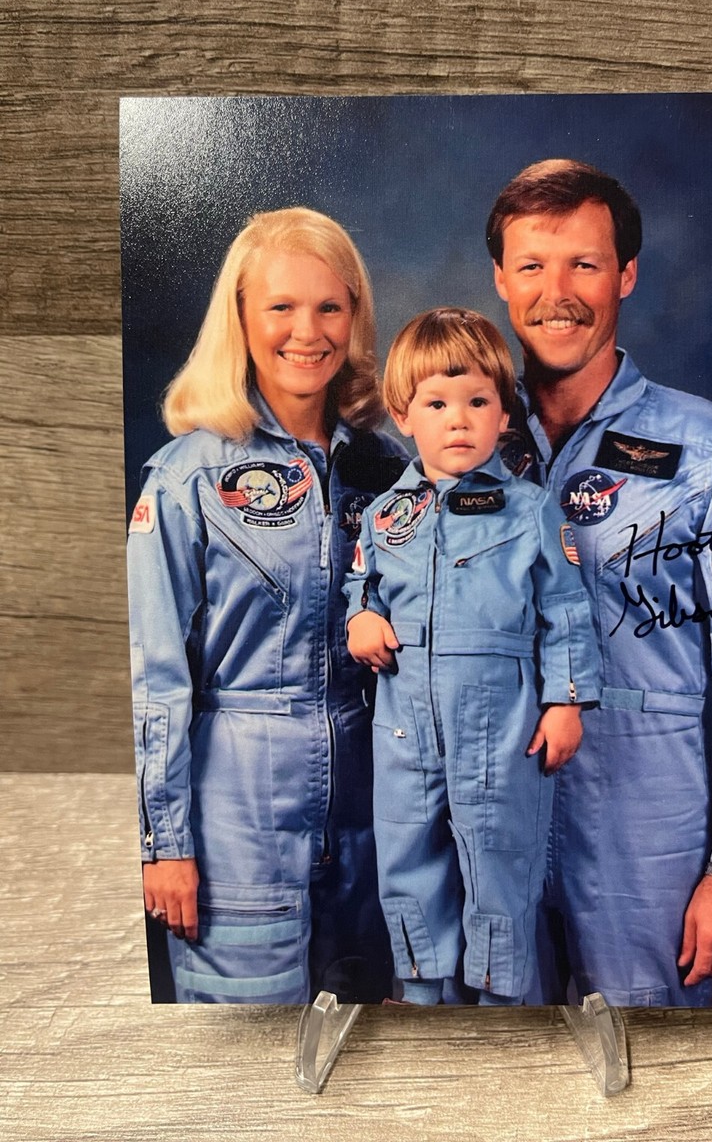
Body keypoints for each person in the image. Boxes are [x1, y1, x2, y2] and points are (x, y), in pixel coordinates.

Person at [486, 159, 712, 1007]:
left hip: (645, 823)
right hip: (494, 810)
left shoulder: (705, 450)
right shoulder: (460, 438)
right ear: (501, 281)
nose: (557, 293)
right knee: (489, 1056)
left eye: (585, 263)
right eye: (532, 265)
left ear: (627, 275)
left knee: (649, 1054)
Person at [126, 206, 409, 1004]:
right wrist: (163, 842)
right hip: (236, 813)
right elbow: (152, 674)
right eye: (281, 306)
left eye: (329, 307)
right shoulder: (187, 479)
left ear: (354, 317)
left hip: (374, 811)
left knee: (373, 1047)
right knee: (245, 1053)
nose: (306, 332)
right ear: (241, 317)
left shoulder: (389, 469)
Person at [343, 308, 599, 1005]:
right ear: (403, 415)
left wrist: (566, 702)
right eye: (437, 404)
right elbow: (361, 584)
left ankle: (503, 1008)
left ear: (503, 414)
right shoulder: (384, 515)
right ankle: (423, 999)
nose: (458, 420)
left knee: (498, 864)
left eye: (477, 402)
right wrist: (361, 617)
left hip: (499, 721)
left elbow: (566, 610)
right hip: (404, 722)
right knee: (408, 860)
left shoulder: (531, 510)